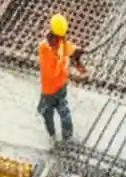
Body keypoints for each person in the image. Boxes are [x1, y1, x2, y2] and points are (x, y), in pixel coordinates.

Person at [37, 14, 86, 146]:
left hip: (51, 90)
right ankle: (61, 138)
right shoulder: (53, 46)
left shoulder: (48, 47)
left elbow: (52, 72)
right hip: (57, 87)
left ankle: (60, 138)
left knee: (50, 113)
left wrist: (76, 51)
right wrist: (70, 64)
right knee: (60, 111)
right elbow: (65, 50)